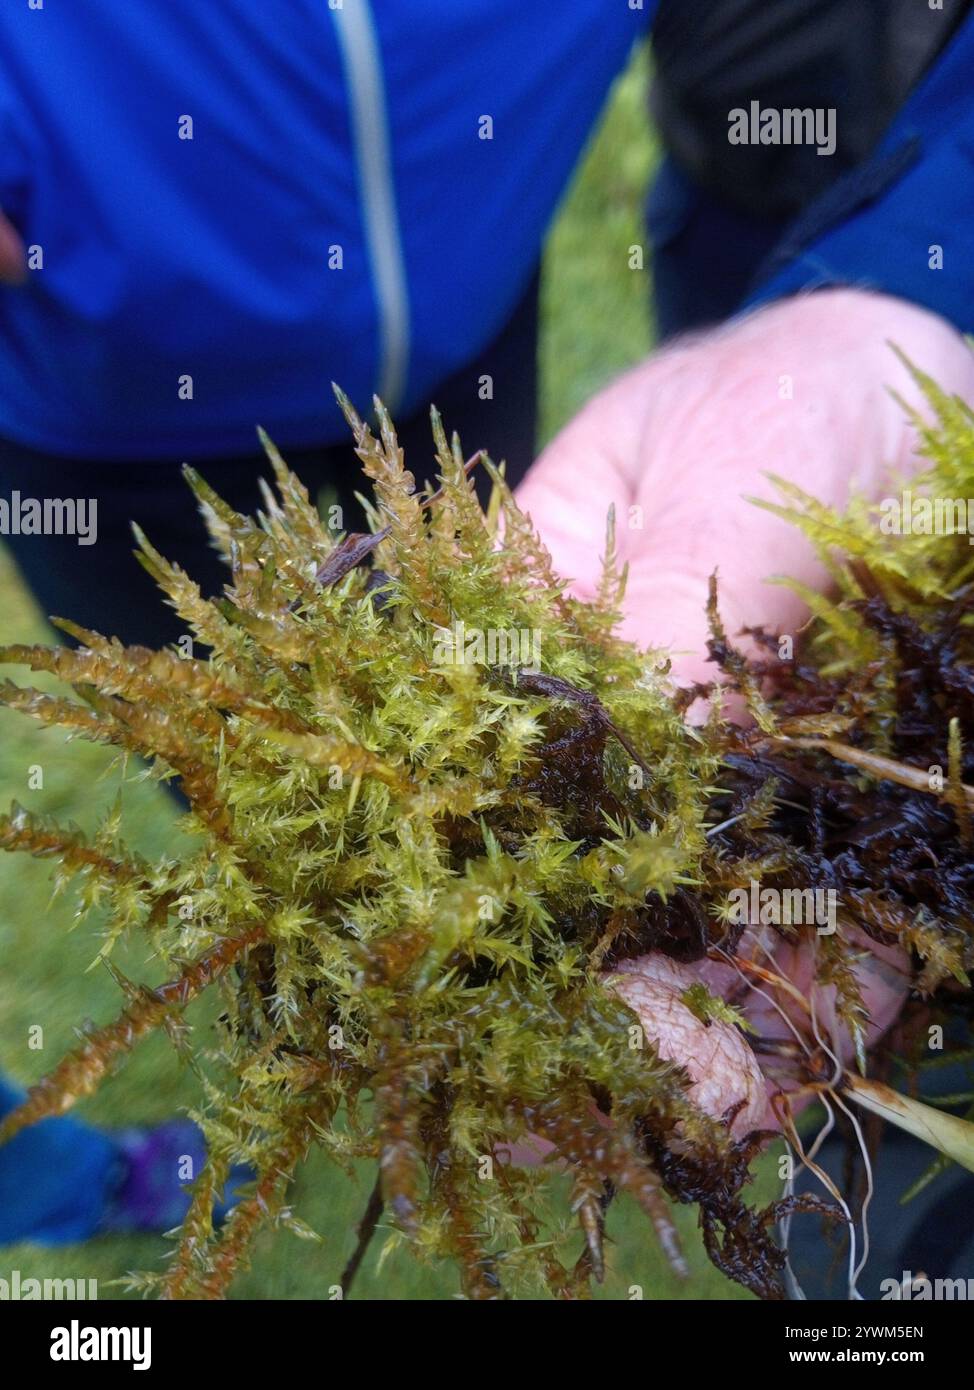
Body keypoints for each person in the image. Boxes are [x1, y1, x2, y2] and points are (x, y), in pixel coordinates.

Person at [0, 2, 972, 1286]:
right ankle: (377, 969)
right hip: (109, 411)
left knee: (522, 612)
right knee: (292, 797)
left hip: (465, 323)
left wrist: (909, 273)